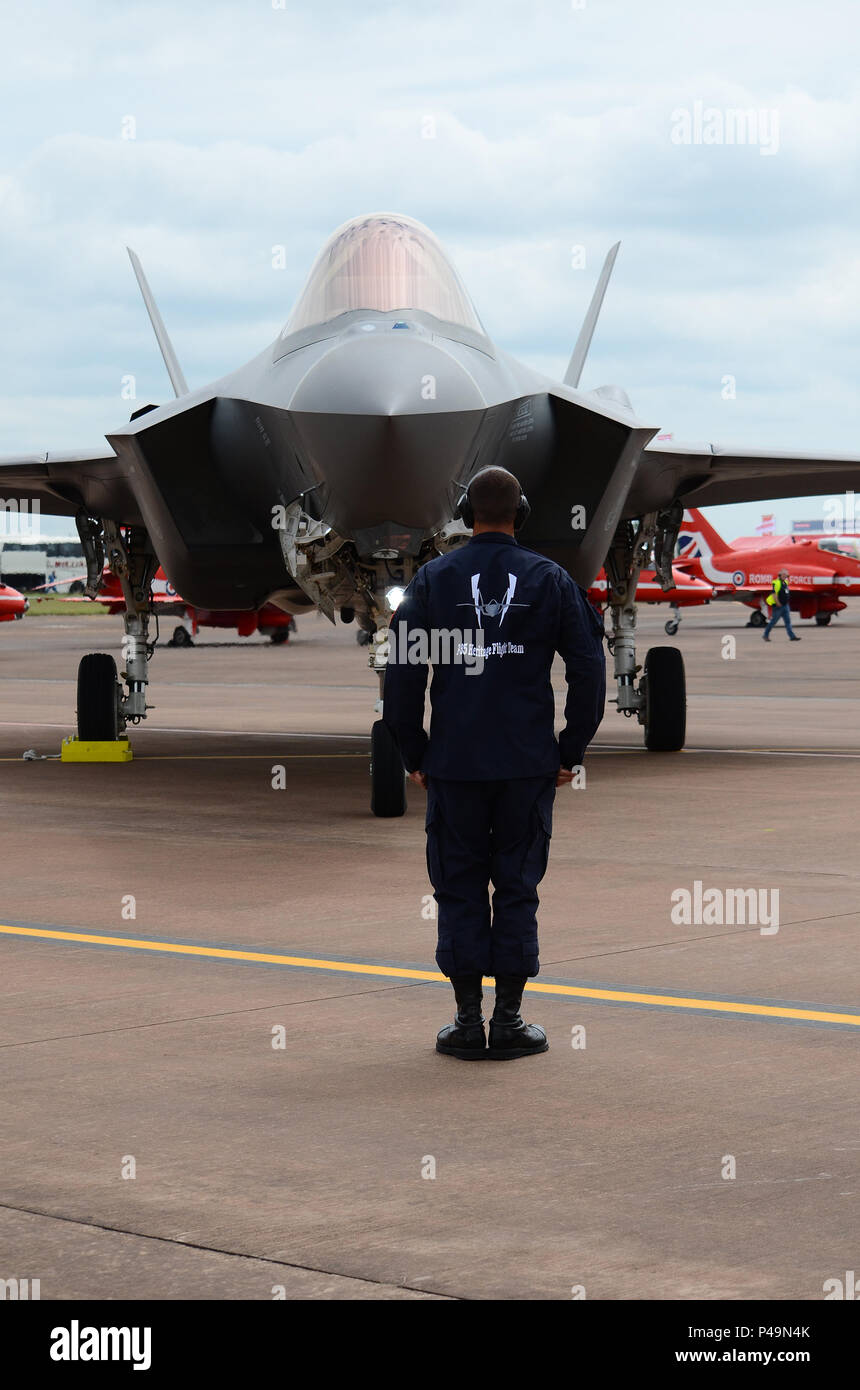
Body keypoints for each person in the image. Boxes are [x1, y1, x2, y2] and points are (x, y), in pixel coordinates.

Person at [383, 466, 606, 1061]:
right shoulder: (552, 581)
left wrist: (415, 752)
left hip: (454, 766)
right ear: (522, 512)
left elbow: (402, 676)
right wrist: (570, 748)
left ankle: (465, 1021)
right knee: (515, 886)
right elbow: (588, 671)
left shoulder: (431, 581)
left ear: (463, 511)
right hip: (527, 766)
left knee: (457, 887)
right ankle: (508, 1020)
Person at [762, 569, 800, 641]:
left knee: (788, 622)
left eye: (787, 576)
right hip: (778, 606)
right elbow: (774, 594)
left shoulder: (785, 582)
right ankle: (765, 635)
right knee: (773, 621)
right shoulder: (776, 583)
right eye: (785, 575)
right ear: (781, 575)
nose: (786, 577)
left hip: (785, 606)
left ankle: (792, 636)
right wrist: (777, 603)